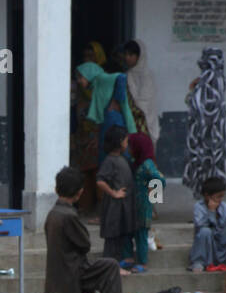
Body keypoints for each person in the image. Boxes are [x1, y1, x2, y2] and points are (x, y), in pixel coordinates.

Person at [44, 166, 126, 293]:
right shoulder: (68, 216)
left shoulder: (53, 214)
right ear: (80, 192)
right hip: (73, 274)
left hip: (63, 275)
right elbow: (84, 243)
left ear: (57, 189)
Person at [182, 48, 226, 198]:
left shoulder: (207, 80)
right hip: (216, 135)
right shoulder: (219, 79)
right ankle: (210, 205)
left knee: (205, 170)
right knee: (212, 170)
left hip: (205, 134)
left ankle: (207, 205)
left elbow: (196, 105)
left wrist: (193, 90)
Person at [97, 124, 135, 263]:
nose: (127, 143)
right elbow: (100, 181)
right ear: (119, 142)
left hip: (123, 207)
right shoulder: (110, 161)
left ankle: (120, 263)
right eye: (125, 140)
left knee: (121, 236)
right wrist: (114, 193)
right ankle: (110, 266)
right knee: (112, 238)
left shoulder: (123, 159)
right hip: (114, 208)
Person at [127, 132, 165, 269]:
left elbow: (160, 179)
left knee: (141, 234)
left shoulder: (147, 165)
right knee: (134, 232)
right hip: (135, 204)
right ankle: (132, 259)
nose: (129, 149)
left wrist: (153, 197)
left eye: (131, 146)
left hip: (143, 205)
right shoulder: (137, 162)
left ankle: (142, 263)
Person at [84, 64, 137, 163]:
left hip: (115, 165)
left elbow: (121, 77)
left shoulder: (112, 112)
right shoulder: (102, 101)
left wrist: (116, 99)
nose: (79, 80)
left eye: (80, 77)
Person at [189, 174, 226, 273]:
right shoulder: (199, 207)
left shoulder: (224, 206)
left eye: (222, 196)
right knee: (205, 231)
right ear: (207, 196)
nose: (220, 199)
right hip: (207, 242)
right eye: (218, 196)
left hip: (221, 242)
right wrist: (211, 212)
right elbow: (202, 224)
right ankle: (199, 262)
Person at [71, 64, 102, 215]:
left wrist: (98, 137)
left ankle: (99, 210)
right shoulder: (81, 95)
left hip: (97, 140)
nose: (78, 81)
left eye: (81, 77)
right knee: (84, 174)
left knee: (98, 174)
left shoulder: (102, 93)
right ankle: (85, 206)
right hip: (82, 140)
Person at [122, 39, 161, 146]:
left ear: (139, 56)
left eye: (131, 54)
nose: (127, 58)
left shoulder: (147, 76)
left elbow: (145, 102)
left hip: (146, 124)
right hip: (130, 124)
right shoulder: (127, 75)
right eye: (125, 54)